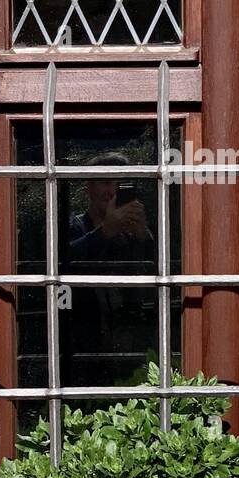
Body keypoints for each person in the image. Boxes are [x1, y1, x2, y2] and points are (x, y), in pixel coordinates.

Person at [64, 152, 154, 383]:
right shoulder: (74, 227)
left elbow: (154, 279)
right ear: (89, 188)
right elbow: (64, 262)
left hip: (130, 341)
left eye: (119, 184)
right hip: (83, 344)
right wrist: (105, 231)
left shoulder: (136, 234)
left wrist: (142, 239)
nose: (111, 192)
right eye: (105, 182)